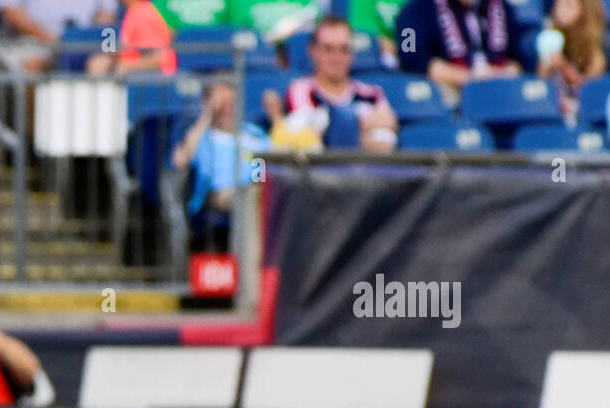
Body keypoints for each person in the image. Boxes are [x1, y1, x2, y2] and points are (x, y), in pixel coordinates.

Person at [265, 16, 398, 152]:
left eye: (344, 49)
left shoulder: (372, 93)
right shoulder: (300, 89)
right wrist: (362, 121)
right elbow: (309, 133)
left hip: (367, 169)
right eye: (328, 49)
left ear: (352, 53)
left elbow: (387, 125)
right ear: (313, 51)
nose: (336, 57)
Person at [172, 81, 271, 249]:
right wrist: (207, 115)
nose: (226, 109)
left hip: (253, 194)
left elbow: (264, 168)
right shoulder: (201, 135)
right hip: (216, 199)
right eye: (220, 104)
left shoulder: (254, 134)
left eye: (231, 103)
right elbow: (180, 160)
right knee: (240, 200)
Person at [396, 0, 526, 102]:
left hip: (501, 88)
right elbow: (410, 58)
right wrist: (470, 78)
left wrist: (501, 74)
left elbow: (519, 59)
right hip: (448, 90)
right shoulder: (413, 11)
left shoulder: (501, 7)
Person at [536, 0, 606, 118]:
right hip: (554, 110)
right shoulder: (551, 40)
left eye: (568, 5)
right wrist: (545, 65)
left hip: (582, 113)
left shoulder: (594, 52)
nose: (560, 11)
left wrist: (562, 65)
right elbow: (540, 85)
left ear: (584, 11)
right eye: (558, 5)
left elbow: (589, 89)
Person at [85, 0, 177, 76]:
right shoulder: (132, 12)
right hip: (139, 66)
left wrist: (128, 65)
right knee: (99, 63)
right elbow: (129, 49)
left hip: (158, 75)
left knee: (120, 67)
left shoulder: (143, 13)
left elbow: (159, 58)